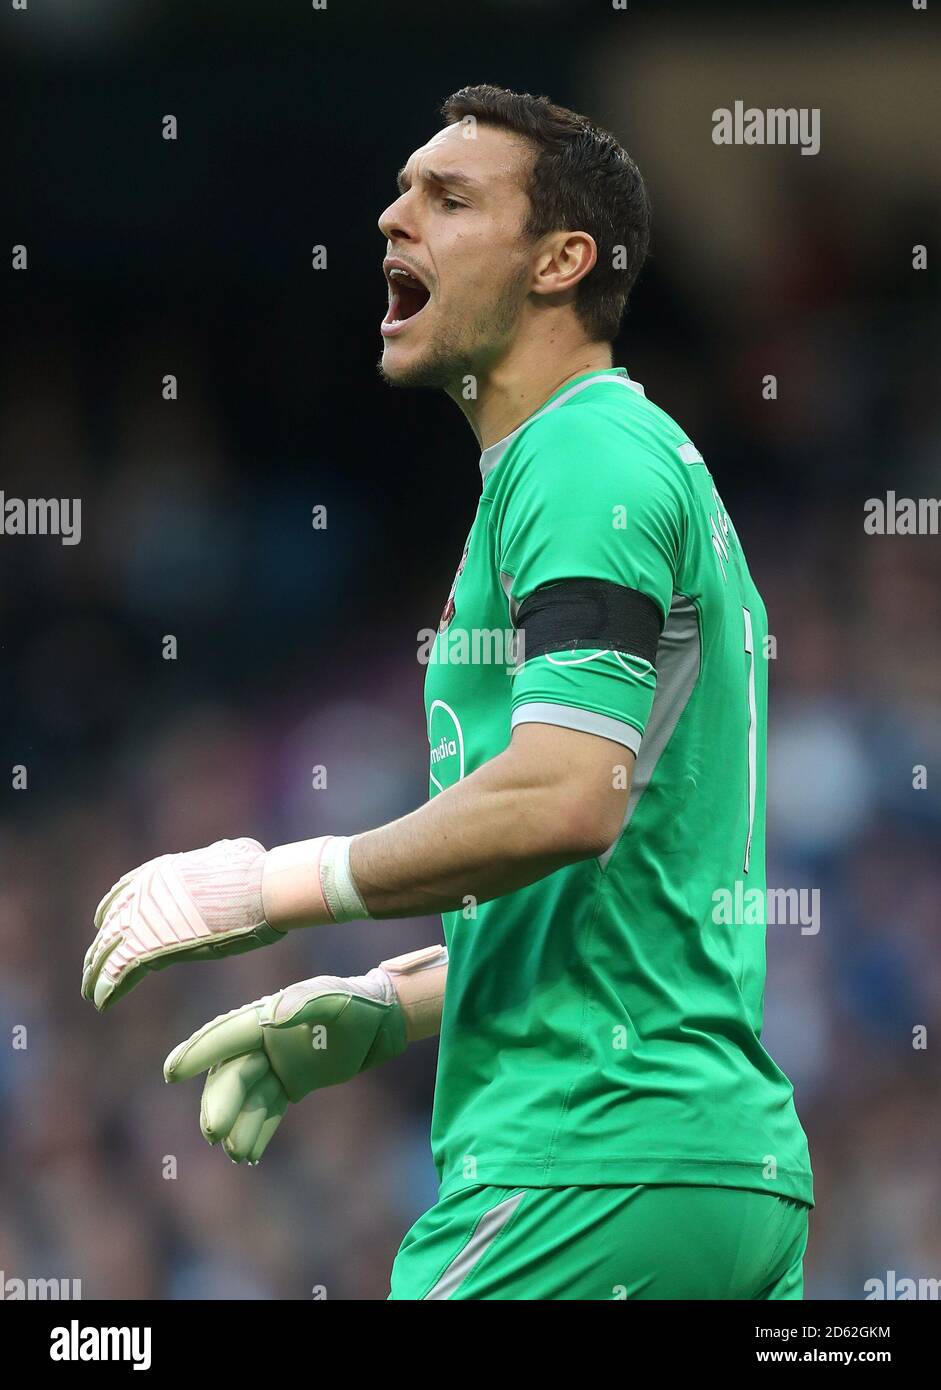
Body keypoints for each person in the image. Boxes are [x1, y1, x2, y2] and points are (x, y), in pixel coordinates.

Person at [83, 85, 813, 1301]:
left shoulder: (582, 454)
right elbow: (617, 892)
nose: (391, 216)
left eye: (448, 197)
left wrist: (267, 886)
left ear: (560, 261)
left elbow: (567, 798)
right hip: (706, 1172)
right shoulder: (601, 464)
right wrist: (386, 1002)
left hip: (581, 1167)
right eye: (403, 189)